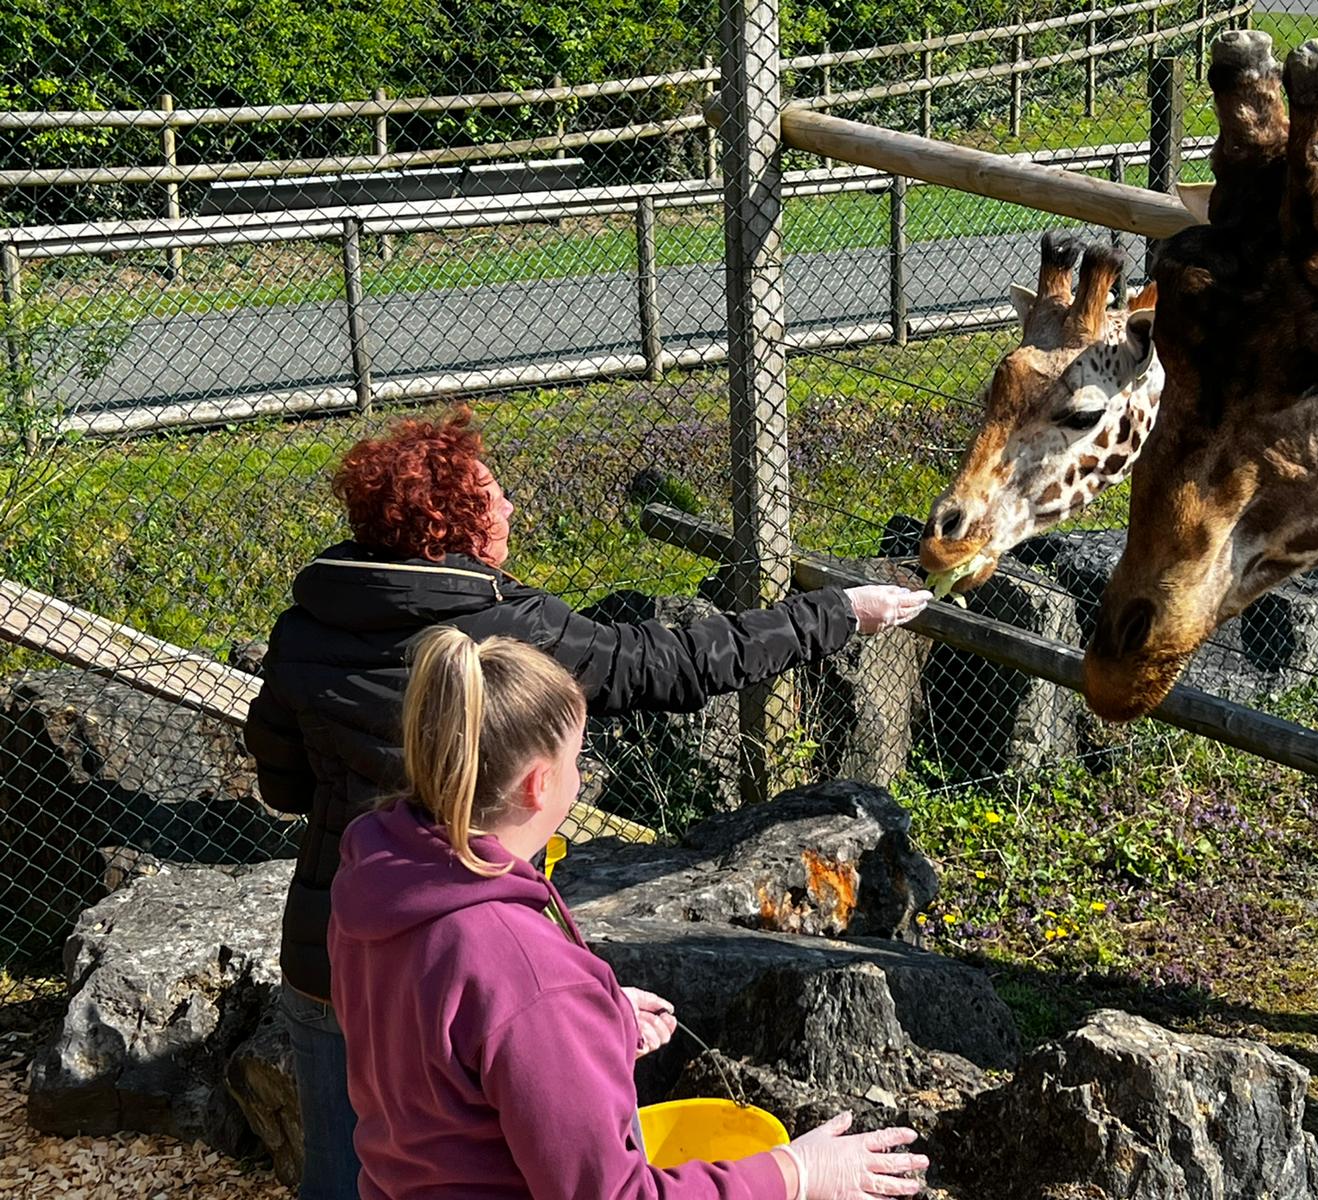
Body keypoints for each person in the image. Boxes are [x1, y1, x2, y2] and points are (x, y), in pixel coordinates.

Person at [243, 406, 932, 1200]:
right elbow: (670, 662)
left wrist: (588, 1017)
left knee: (366, 1167)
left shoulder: (306, 629)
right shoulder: (510, 634)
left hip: (343, 944)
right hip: (471, 948)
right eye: (491, 495)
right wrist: (832, 614)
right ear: (450, 527)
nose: (509, 506)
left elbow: (282, 785)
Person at [329, 627, 929, 1199]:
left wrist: (594, 1026)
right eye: (576, 758)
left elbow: (449, 1063)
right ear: (539, 784)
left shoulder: (379, 888)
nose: (580, 774)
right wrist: (795, 1171)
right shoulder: (528, 974)